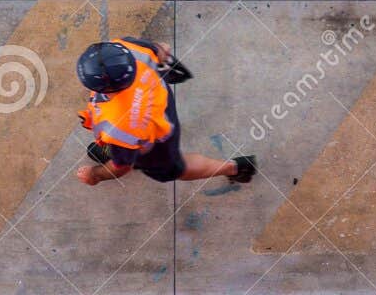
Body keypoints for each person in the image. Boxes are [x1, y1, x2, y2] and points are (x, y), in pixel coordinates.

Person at [74, 38, 255, 187]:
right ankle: (117, 150)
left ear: (105, 88)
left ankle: (235, 168)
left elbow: (121, 167)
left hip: (156, 144)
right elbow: (162, 49)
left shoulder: (121, 127)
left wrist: (95, 174)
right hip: (160, 104)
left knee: (176, 169)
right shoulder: (124, 49)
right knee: (125, 148)